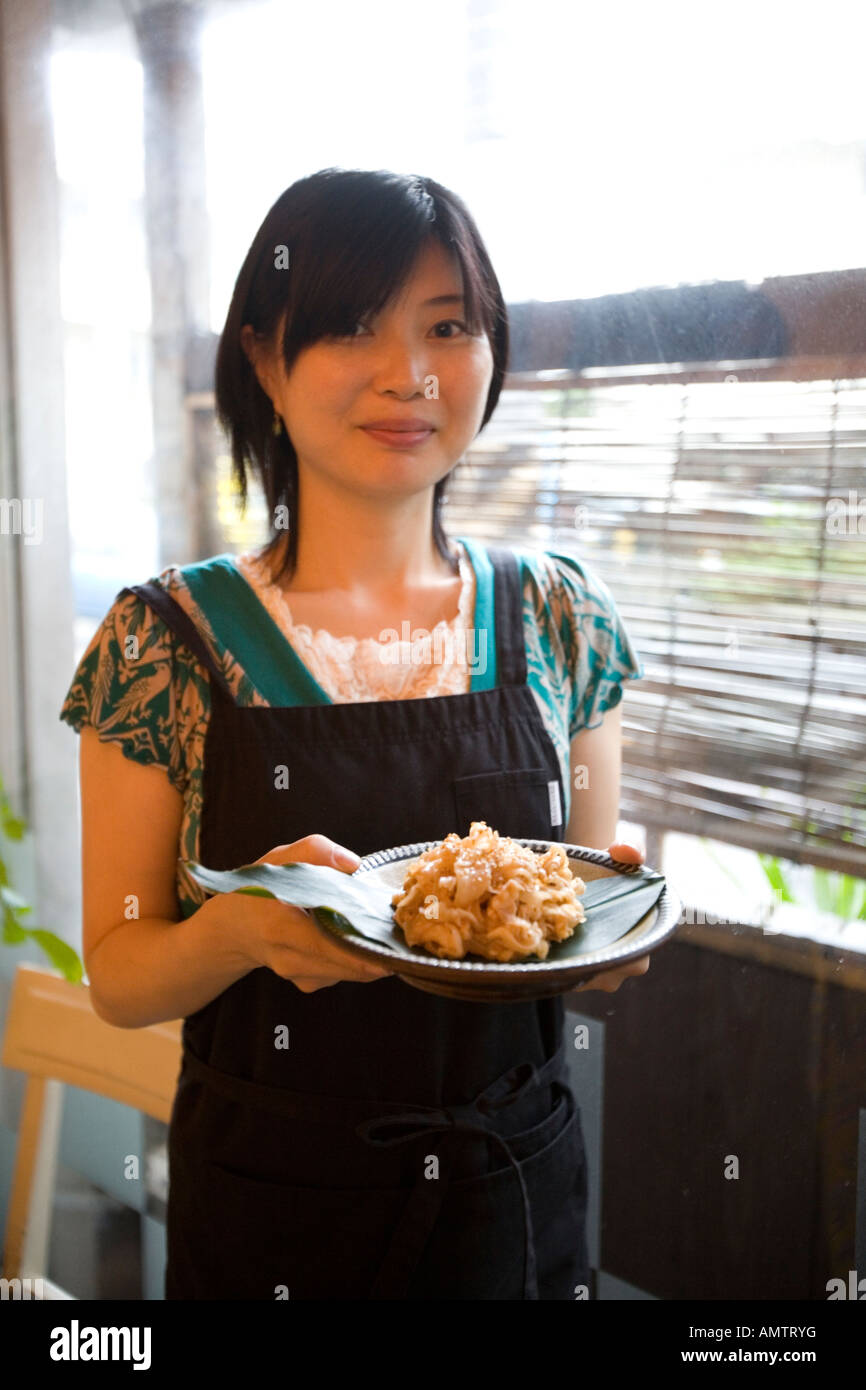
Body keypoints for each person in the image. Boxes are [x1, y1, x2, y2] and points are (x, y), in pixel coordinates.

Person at [60, 168, 649, 1301]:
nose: (409, 374)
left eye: (446, 325)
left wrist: (606, 929)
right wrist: (241, 931)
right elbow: (122, 976)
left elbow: (580, 936)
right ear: (265, 361)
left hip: (510, 1201)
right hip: (274, 1210)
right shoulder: (163, 642)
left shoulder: (560, 618)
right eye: (350, 328)